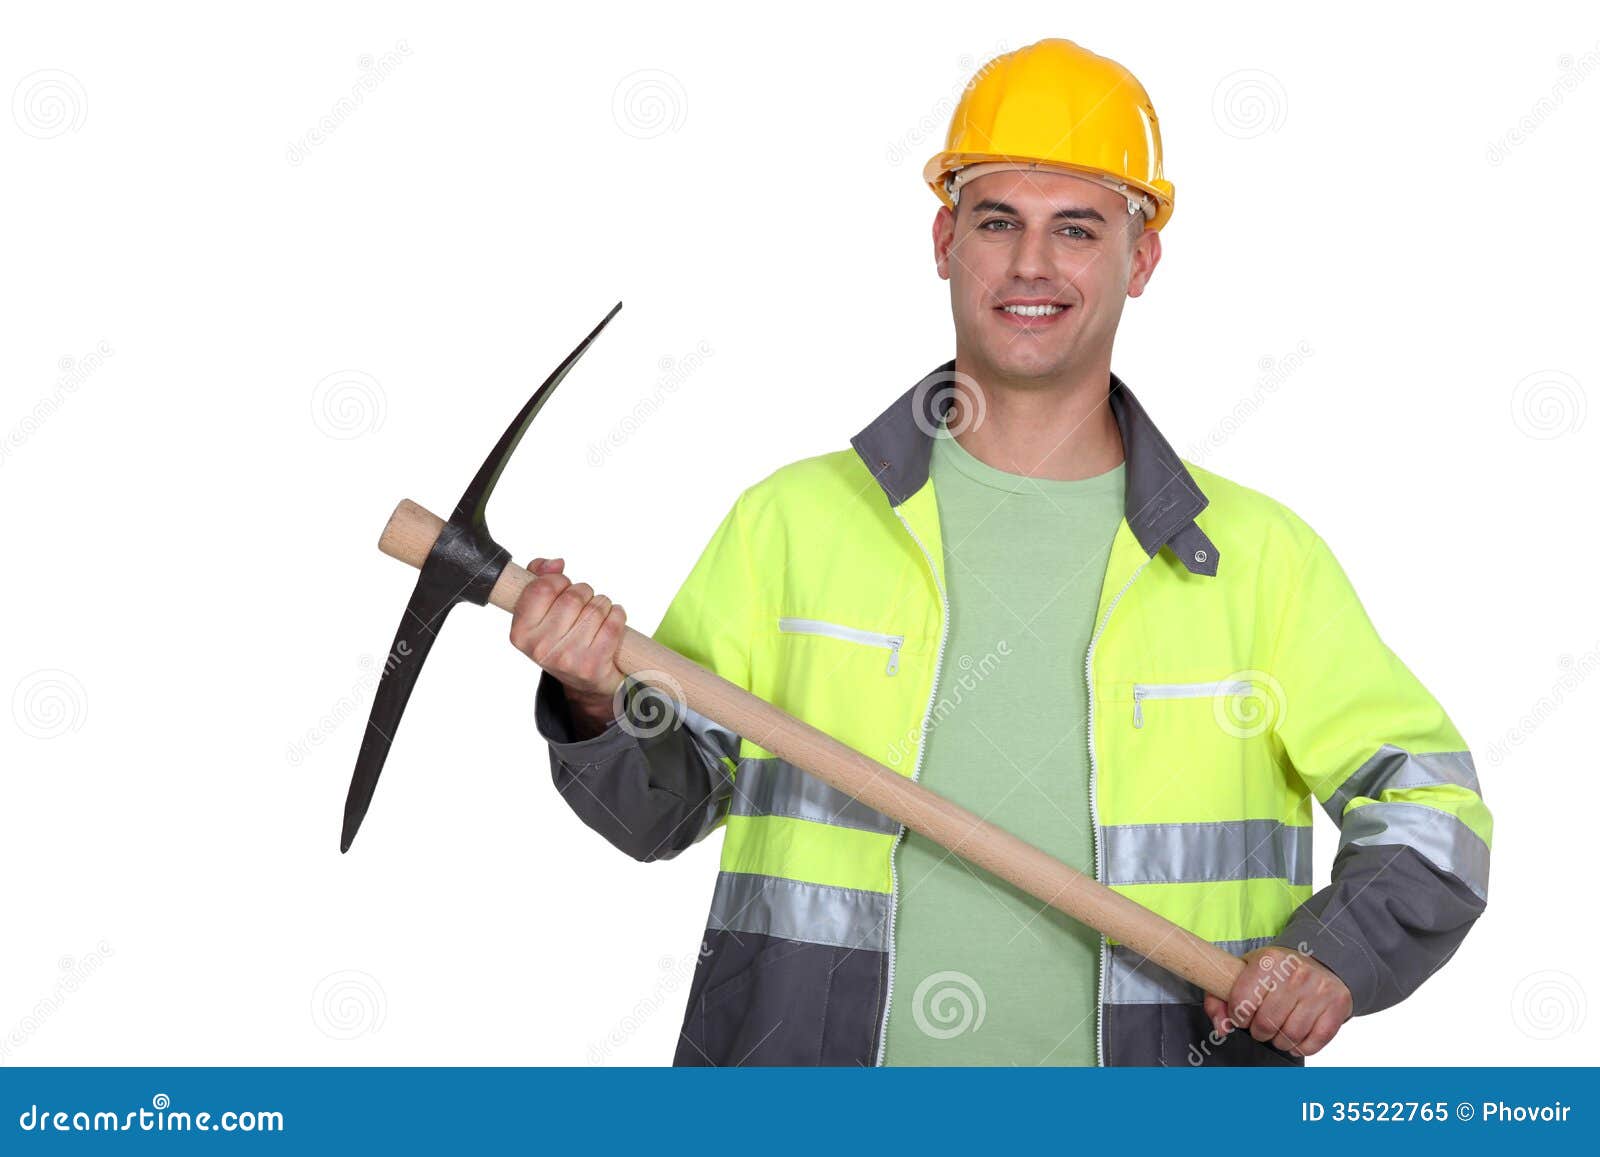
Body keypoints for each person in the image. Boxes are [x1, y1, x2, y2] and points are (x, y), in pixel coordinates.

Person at [509, 38, 1492, 1067]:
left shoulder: (1252, 557)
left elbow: (1433, 803)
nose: (1032, 264)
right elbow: (658, 810)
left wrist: (1333, 952)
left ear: (1139, 258)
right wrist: (593, 698)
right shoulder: (792, 523)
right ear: (945, 241)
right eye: (997, 223)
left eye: (1076, 227)